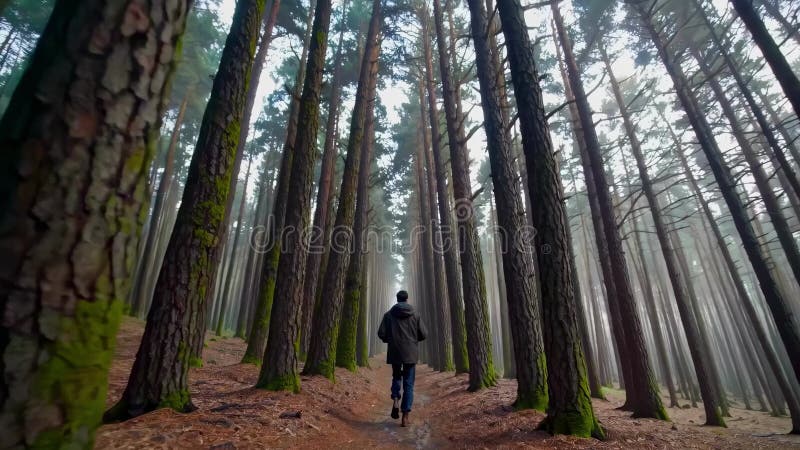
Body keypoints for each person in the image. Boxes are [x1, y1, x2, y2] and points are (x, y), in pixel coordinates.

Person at [377, 290, 427, 427]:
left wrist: (390, 340)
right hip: (410, 353)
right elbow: (423, 334)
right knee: (409, 384)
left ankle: (395, 398)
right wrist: (413, 339)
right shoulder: (415, 315)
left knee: (396, 377)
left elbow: (380, 333)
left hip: (395, 352)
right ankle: (405, 415)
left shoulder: (388, 315)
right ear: (407, 299)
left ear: (397, 299)